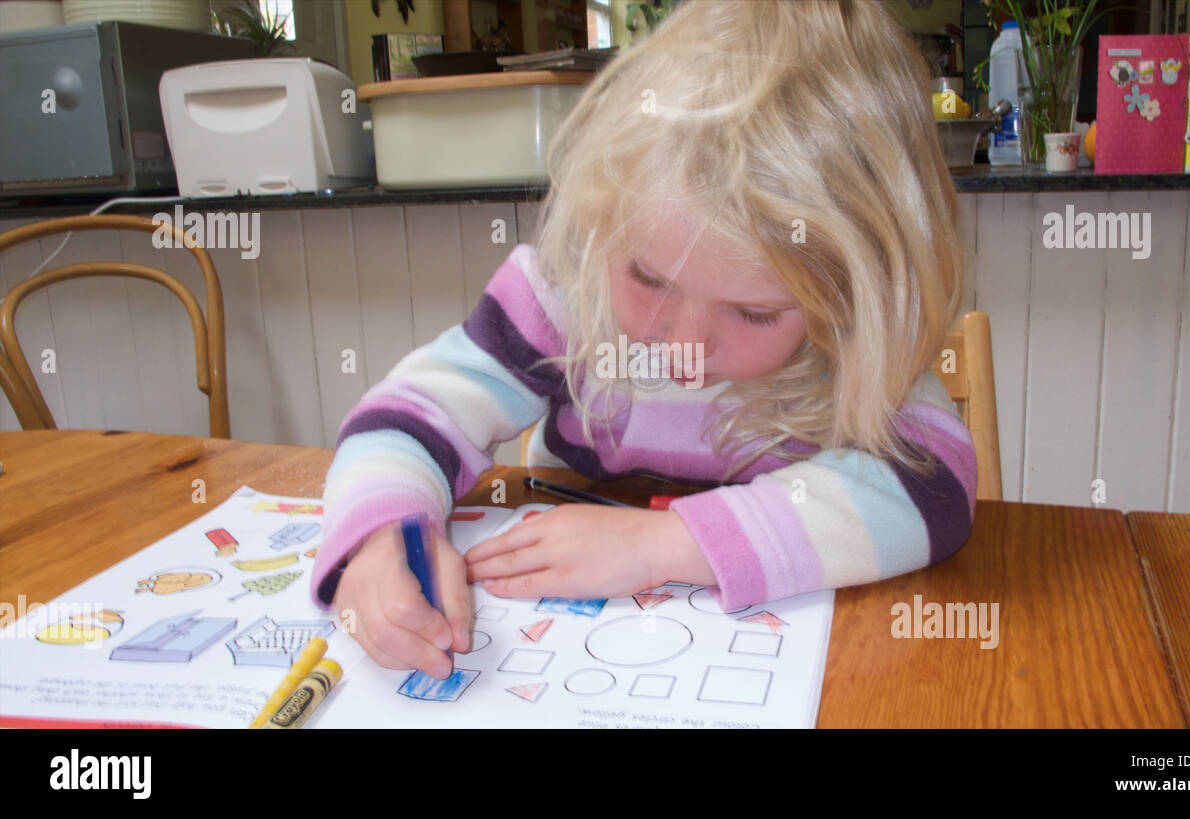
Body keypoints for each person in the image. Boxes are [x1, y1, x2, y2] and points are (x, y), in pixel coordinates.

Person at [310, 0, 977, 680]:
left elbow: (936, 489)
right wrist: (381, 530)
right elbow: (408, 415)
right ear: (606, 221)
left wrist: (671, 542)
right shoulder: (568, 291)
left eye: (751, 313)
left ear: (850, 297)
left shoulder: (847, 342)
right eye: (649, 277)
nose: (682, 344)